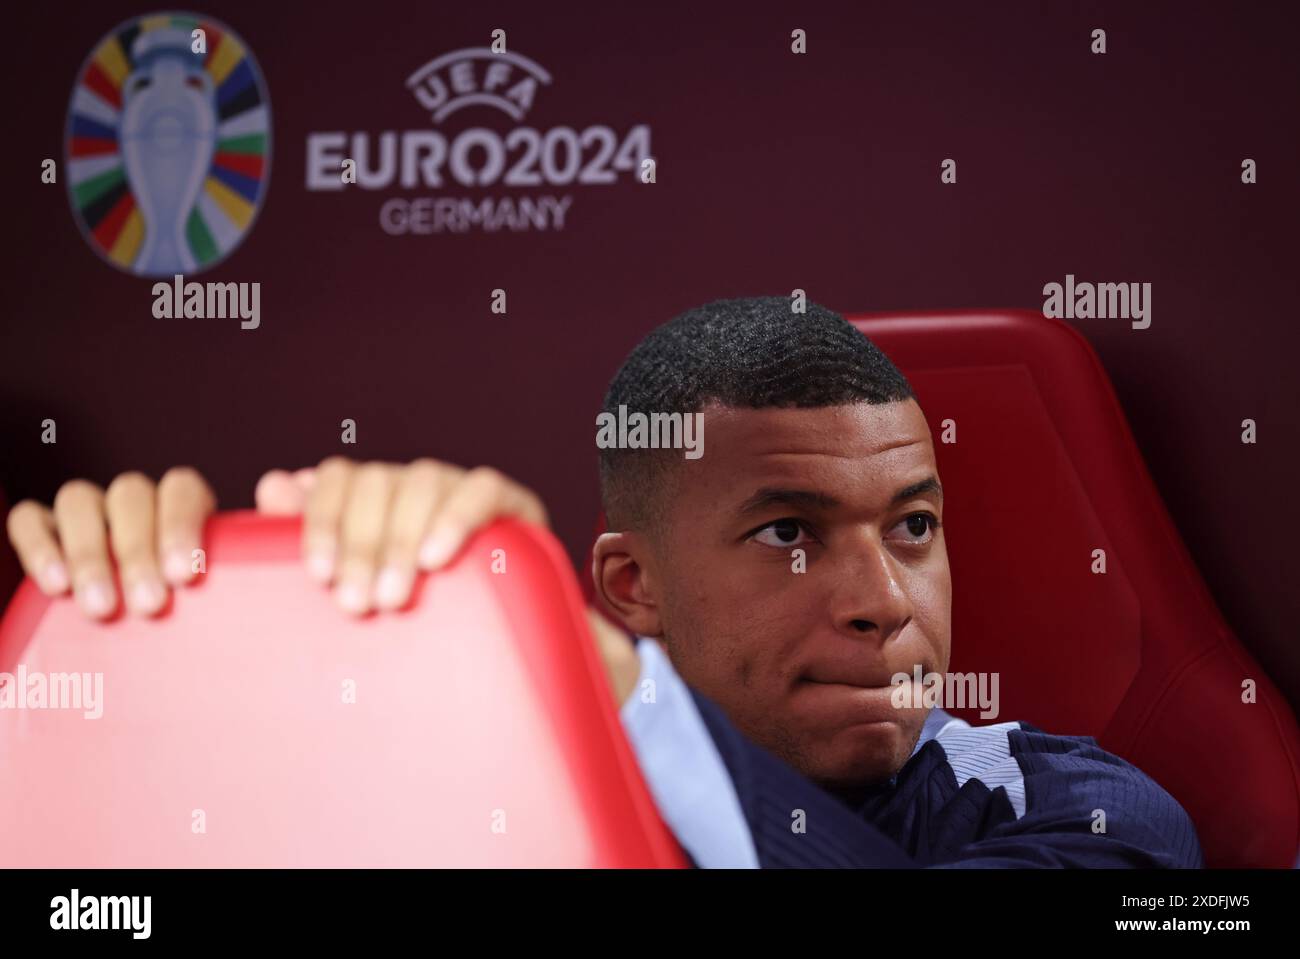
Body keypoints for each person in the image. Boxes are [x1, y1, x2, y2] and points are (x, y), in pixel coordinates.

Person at [4, 297, 1202, 868]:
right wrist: (134, 640)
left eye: (913, 525)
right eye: (790, 530)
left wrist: (611, 680)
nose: (881, 597)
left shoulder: (1094, 815)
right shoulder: (468, 810)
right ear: (632, 582)